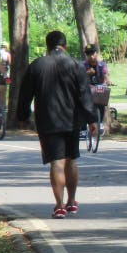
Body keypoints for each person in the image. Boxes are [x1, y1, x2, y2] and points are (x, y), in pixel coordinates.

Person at [17, 30, 97, 219]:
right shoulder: (76, 65)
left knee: (56, 163)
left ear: (47, 46)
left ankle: (59, 205)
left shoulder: (37, 65)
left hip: (48, 121)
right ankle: (71, 201)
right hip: (72, 121)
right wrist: (91, 119)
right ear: (65, 46)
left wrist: (23, 116)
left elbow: (25, 95)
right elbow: (85, 95)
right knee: (71, 160)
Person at [82, 43, 110, 135]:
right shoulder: (83, 65)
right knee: (83, 104)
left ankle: (100, 122)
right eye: (88, 54)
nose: (90, 56)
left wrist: (108, 81)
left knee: (101, 103)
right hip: (87, 88)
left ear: (96, 53)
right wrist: (87, 74)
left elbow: (106, 74)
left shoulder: (102, 65)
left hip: (99, 88)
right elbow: (79, 77)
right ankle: (83, 127)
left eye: (92, 53)